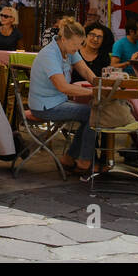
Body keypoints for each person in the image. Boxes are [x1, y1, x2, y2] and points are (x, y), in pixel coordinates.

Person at [27, 20, 97, 176]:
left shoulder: (68, 50)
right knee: (93, 113)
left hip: (56, 101)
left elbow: (85, 71)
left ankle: (71, 158)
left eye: (81, 44)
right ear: (63, 39)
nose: (78, 48)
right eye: (75, 45)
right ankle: (84, 161)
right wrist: (94, 92)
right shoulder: (49, 54)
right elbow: (63, 87)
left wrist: (98, 84)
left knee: (91, 113)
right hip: (45, 106)